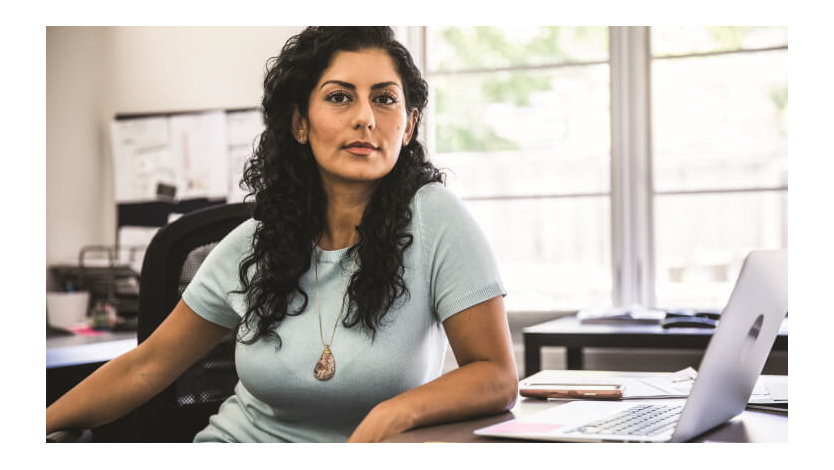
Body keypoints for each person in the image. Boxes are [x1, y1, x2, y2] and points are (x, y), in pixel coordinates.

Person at [45, 26, 518, 443]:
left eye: (384, 98)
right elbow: (146, 366)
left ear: (409, 124)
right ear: (299, 123)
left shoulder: (436, 221)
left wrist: (396, 412)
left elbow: (495, 375)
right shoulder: (255, 243)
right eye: (339, 96)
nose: (365, 118)